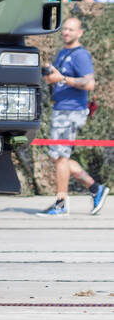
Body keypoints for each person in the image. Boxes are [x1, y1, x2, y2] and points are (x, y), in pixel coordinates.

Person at [38, 16, 108, 215]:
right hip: (61, 108)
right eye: (65, 29)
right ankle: (95, 188)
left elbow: (90, 83)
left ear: (80, 32)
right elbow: (56, 79)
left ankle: (61, 202)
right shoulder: (63, 53)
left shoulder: (80, 55)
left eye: (71, 29)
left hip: (71, 110)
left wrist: (63, 78)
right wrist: (50, 74)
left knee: (60, 156)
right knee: (60, 157)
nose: (66, 32)